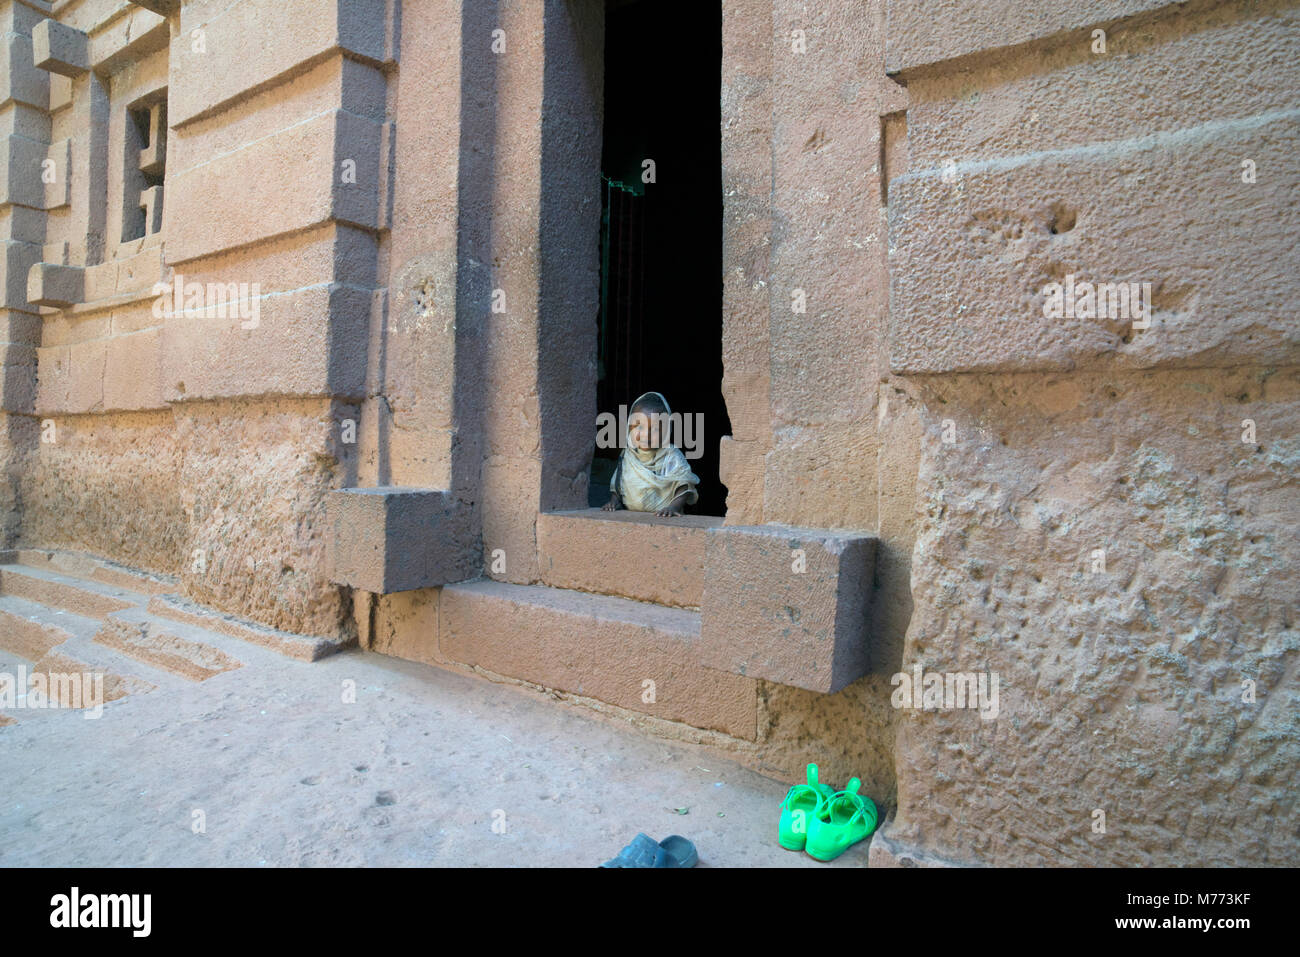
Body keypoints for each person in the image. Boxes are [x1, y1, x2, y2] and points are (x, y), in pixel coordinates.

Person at [602, 391, 700, 517]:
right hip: (633, 518)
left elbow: (684, 485)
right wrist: (613, 502)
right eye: (639, 427)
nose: (646, 435)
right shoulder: (628, 455)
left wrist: (672, 507)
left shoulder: (671, 455)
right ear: (629, 427)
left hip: (663, 518)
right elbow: (619, 483)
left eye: (655, 429)